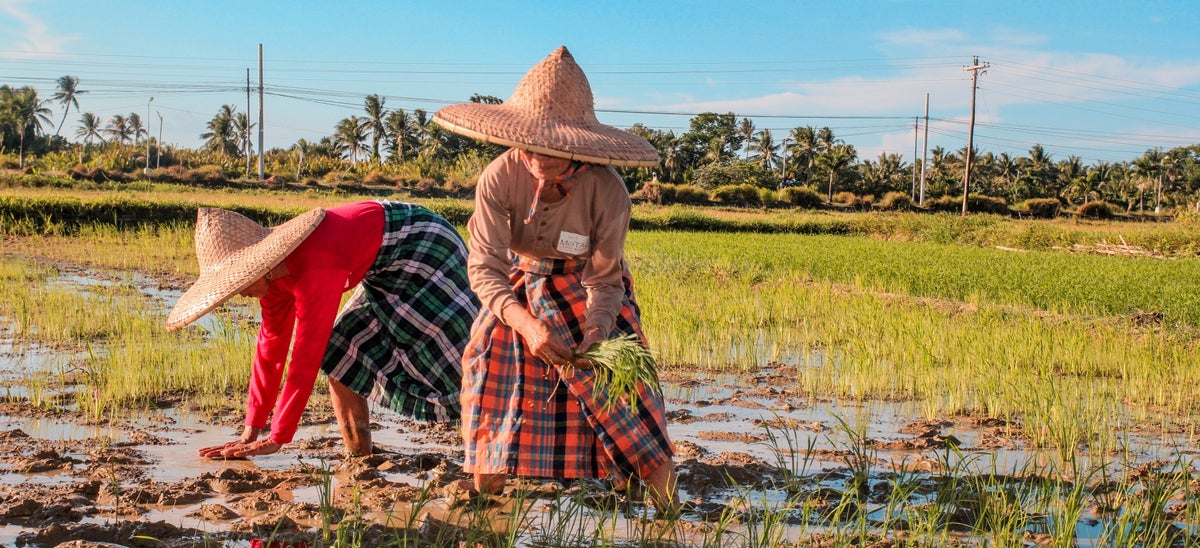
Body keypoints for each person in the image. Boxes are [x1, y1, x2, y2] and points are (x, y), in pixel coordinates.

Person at [432, 46, 680, 514]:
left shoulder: (608, 190)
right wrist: (524, 323)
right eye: (531, 147)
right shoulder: (499, 176)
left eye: (552, 150)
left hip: (587, 288)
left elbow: (606, 280)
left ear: (578, 146)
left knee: (626, 395)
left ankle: (670, 508)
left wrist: (596, 336)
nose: (539, 159)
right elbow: (484, 265)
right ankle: (488, 495)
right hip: (519, 286)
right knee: (488, 370)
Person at [165, 200, 479, 459]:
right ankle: (360, 459)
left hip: (424, 245)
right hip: (380, 267)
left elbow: (306, 353)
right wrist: (252, 427)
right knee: (341, 349)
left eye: (238, 284)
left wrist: (278, 436)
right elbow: (270, 346)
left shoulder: (316, 266)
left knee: (451, 353)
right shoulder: (273, 278)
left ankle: (487, 456)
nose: (239, 293)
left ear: (257, 266)